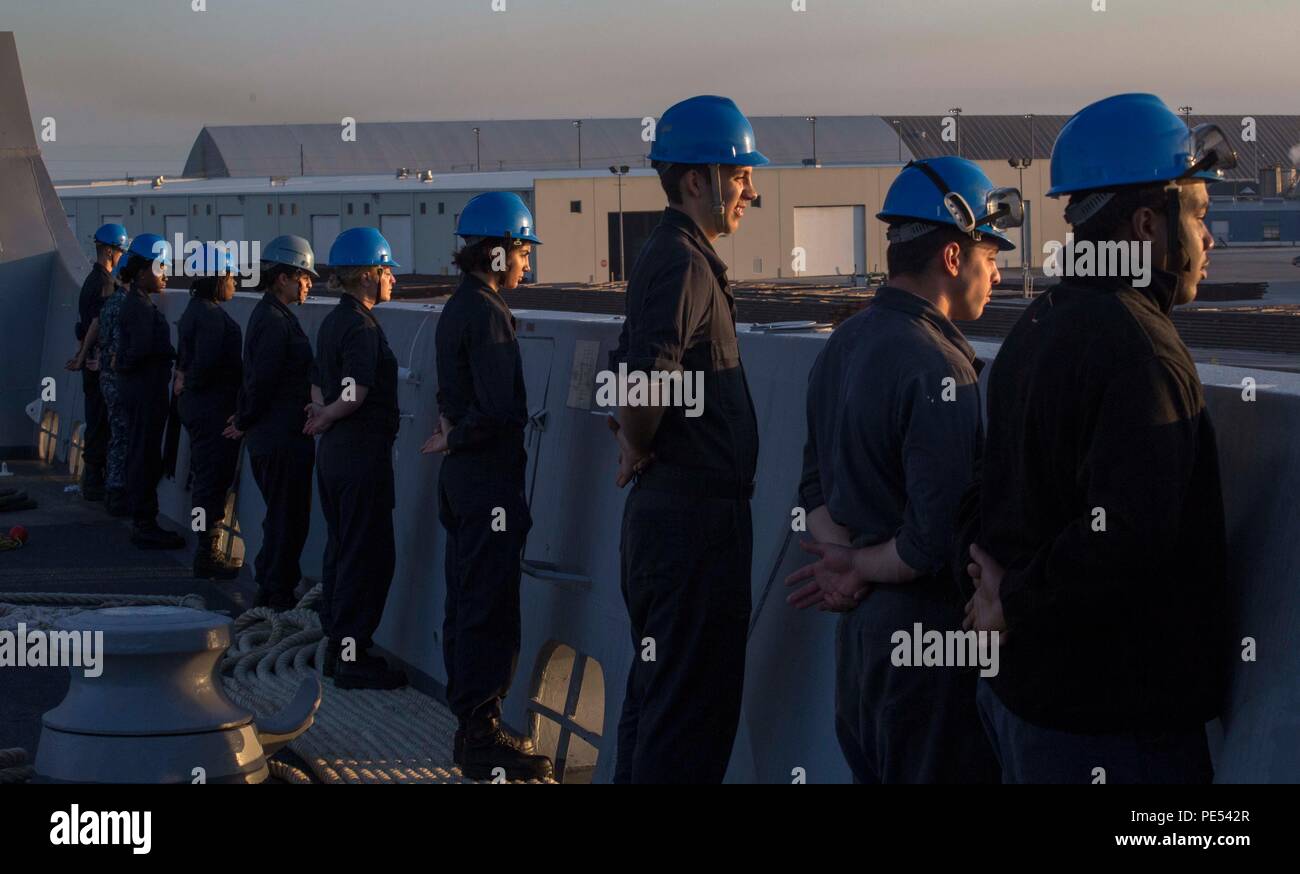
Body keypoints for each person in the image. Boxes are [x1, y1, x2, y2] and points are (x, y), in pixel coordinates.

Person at [963, 93, 1236, 783]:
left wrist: (1005, 599)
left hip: (1029, 705)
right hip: (1113, 731)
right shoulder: (1142, 351)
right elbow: (1122, 540)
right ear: (1147, 224)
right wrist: (1015, 601)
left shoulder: (1035, 327)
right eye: (1198, 214)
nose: (1210, 238)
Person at [785, 158, 1021, 783]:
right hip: (927, 640)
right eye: (989, 252)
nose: (997, 270)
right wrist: (860, 569)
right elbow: (932, 539)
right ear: (951, 257)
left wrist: (844, 567)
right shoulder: (941, 367)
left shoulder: (842, 343)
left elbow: (815, 490)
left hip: (861, 644)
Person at [608, 95, 764, 783]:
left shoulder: (668, 255)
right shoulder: (683, 263)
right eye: (740, 175)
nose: (751, 191)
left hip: (674, 518)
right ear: (698, 180)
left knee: (660, 699)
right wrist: (639, 438)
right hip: (692, 528)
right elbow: (644, 385)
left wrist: (634, 441)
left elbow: (626, 371)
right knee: (688, 717)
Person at [422, 192, 554, 782]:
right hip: (488, 486)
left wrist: (452, 434)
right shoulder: (490, 313)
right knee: (490, 606)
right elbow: (503, 410)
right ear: (498, 253)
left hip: (463, 486)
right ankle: (482, 734)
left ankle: (469, 726)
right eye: (522, 250)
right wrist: (459, 436)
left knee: (465, 597)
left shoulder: (457, 308)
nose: (526, 261)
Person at [306, 228, 407, 690]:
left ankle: (336, 646)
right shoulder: (364, 328)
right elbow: (355, 390)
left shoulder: (332, 321)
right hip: (361, 454)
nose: (391, 279)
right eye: (386, 271)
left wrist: (321, 409)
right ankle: (352, 654)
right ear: (368, 276)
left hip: (334, 457)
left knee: (342, 547)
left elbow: (318, 382)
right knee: (368, 555)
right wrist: (329, 413)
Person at [224, 235, 318, 610]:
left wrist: (246, 417)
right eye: (303, 276)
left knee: (282, 516)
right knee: (287, 517)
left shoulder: (270, 316)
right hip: (280, 438)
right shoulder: (276, 323)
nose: (308, 283)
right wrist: (245, 419)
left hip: (274, 435)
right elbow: (261, 379)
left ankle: (273, 585)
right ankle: (275, 593)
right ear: (282, 278)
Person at [114, 233, 186, 549]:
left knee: (140, 452)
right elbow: (139, 350)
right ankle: (145, 523)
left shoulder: (135, 302)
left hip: (139, 390)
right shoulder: (141, 308)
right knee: (145, 455)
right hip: (146, 391)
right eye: (160, 267)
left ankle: (141, 518)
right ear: (142, 271)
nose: (165, 273)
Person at [176, 244, 243, 579]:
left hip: (196, 408)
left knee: (204, 480)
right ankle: (206, 550)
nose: (234, 282)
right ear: (217, 279)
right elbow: (205, 367)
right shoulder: (214, 318)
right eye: (230, 275)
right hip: (213, 411)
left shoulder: (193, 310)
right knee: (211, 483)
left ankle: (203, 545)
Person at [66, 223, 128, 502]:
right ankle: (94, 481)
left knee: (97, 420)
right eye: (118, 251)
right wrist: (88, 357)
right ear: (108, 251)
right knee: (100, 422)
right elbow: (96, 324)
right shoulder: (104, 284)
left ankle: (93, 478)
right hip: (97, 365)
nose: (120, 256)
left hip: (91, 361)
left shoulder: (94, 280)